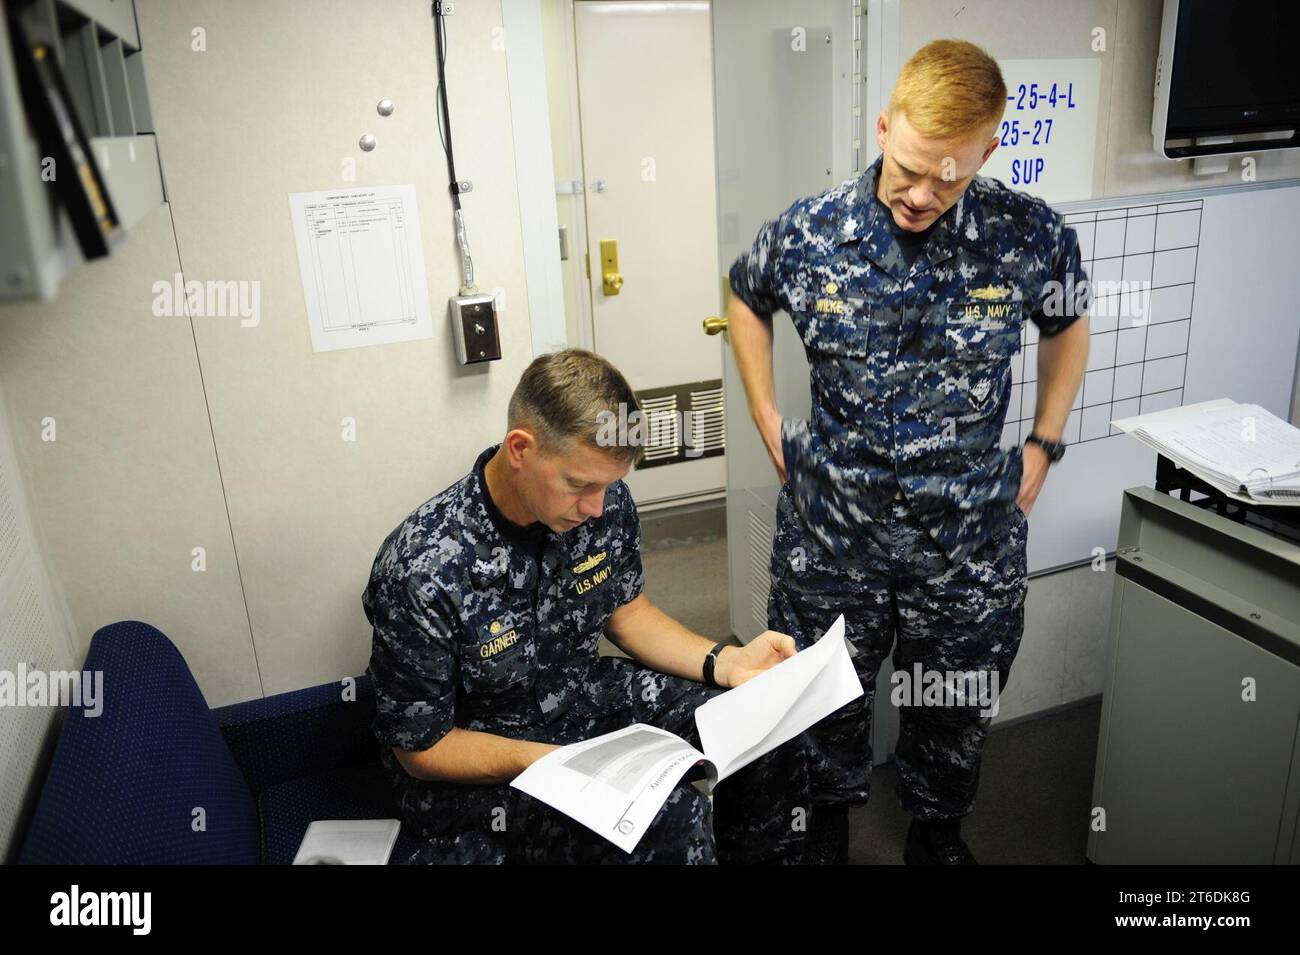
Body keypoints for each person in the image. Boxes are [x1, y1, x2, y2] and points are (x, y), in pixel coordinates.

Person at [726, 39, 1091, 864]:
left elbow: (1068, 326)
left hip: (966, 538)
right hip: (831, 529)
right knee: (817, 699)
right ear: (885, 125)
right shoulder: (810, 229)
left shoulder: (1029, 235)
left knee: (957, 703)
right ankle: (822, 830)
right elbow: (745, 297)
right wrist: (762, 411)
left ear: (988, 152)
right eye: (910, 169)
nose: (924, 194)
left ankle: (936, 829)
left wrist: (1045, 438)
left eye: (950, 177)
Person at [363, 348, 809, 863]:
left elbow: (629, 613)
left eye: (609, 485)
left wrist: (726, 663)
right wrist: (563, 764)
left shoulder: (604, 502)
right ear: (520, 449)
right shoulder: (421, 569)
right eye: (580, 485)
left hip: (581, 699)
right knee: (671, 818)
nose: (597, 507)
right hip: (483, 757)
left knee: (762, 727)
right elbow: (422, 749)